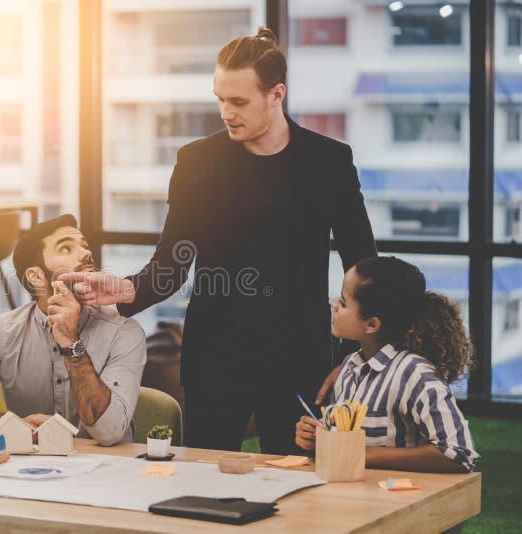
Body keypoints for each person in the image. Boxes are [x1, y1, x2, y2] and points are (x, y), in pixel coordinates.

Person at [61, 27, 376, 453]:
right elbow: (170, 265)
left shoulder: (329, 162)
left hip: (300, 356)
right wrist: (124, 289)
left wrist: (357, 357)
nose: (226, 112)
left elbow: (363, 266)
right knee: (207, 487)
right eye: (220, 99)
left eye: (239, 102)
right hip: (215, 357)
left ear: (276, 94)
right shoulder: (196, 163)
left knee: (300, 493)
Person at [0, 214, 147, 446]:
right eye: (66, 248)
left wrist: (72, 344)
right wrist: (15, 429)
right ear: (36, 277)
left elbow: (110, 432)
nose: (86, 253)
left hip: (111, 474)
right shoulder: (0, 332)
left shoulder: (124, 333)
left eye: (84, 245)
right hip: (27, 474)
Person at [295, 257, 479, 472]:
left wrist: (365, 454)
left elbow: (459, 453)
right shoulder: (349, 368)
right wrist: (318, 438)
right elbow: (345, 443)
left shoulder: (414, 374)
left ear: (372, 324)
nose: (333, 304)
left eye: (343, 302)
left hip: (396, 499)